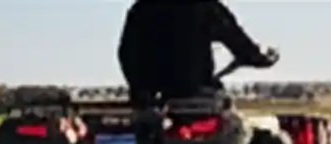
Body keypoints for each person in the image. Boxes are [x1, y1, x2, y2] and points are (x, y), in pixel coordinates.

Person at [118, 0, 279, 104]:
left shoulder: (140, 9)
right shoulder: (205, 7)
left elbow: (125, 53)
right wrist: (259, 58)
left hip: (148, 100)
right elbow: (239, 43)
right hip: (193, 95)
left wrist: (140, 88)